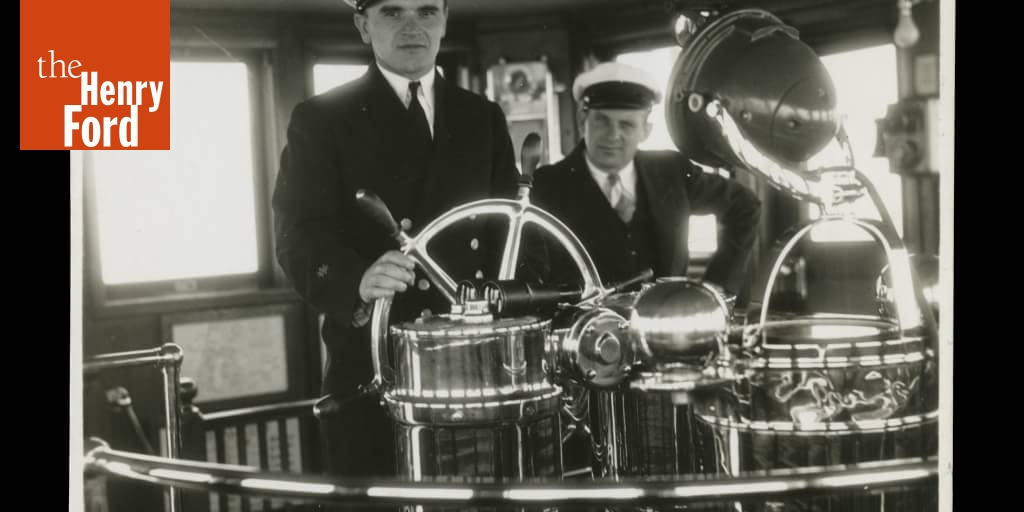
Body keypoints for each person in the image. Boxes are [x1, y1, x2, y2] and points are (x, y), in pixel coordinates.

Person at [271, 0, 518, 479]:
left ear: (445, 21)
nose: (412, 27)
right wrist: (357, 279)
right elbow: (296, 231)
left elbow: (511, 235)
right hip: (374, 370)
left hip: (475, 369)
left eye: (427, 11)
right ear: (363, 25)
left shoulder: (483, 118)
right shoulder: (321, 118)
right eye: (392, 12)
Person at [530, 61, 761, 299]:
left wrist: (717, 286)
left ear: (646, 130)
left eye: (627, 125)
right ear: (581, 122)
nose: (613, 135)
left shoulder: (671, 171)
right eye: (602, 121)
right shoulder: (546, 186)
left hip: (665, 326)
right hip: (584, 331)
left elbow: (745, 205)